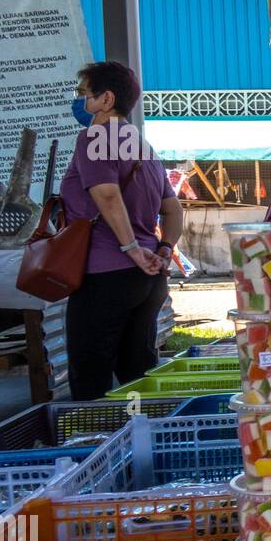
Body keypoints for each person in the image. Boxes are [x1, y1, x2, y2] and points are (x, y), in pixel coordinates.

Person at [60, 61, 184, 401]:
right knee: (137, 371)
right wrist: (163, 249)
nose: (79, 102)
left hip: (106, 275)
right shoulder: (143, 147)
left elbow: (107, 195)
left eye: (84, 94)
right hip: (149, 279)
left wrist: (130, 247)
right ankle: (146, 443)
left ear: (106, 99)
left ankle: (92, 445)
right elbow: (172, 208)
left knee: (90, 373)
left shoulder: (94, 138)